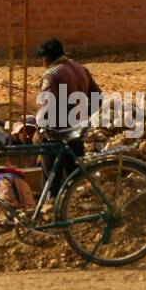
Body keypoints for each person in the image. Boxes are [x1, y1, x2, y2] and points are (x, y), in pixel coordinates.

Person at [35, 38, 102, 199]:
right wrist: (83, 116)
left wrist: (38, 131)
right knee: (75, 180)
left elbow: (47, 106)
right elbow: (97, 97)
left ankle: (52, 215)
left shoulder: (51, 75)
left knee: (52, 183)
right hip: (76, 134)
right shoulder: (82, 69)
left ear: (45, 59)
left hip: (55, 136)